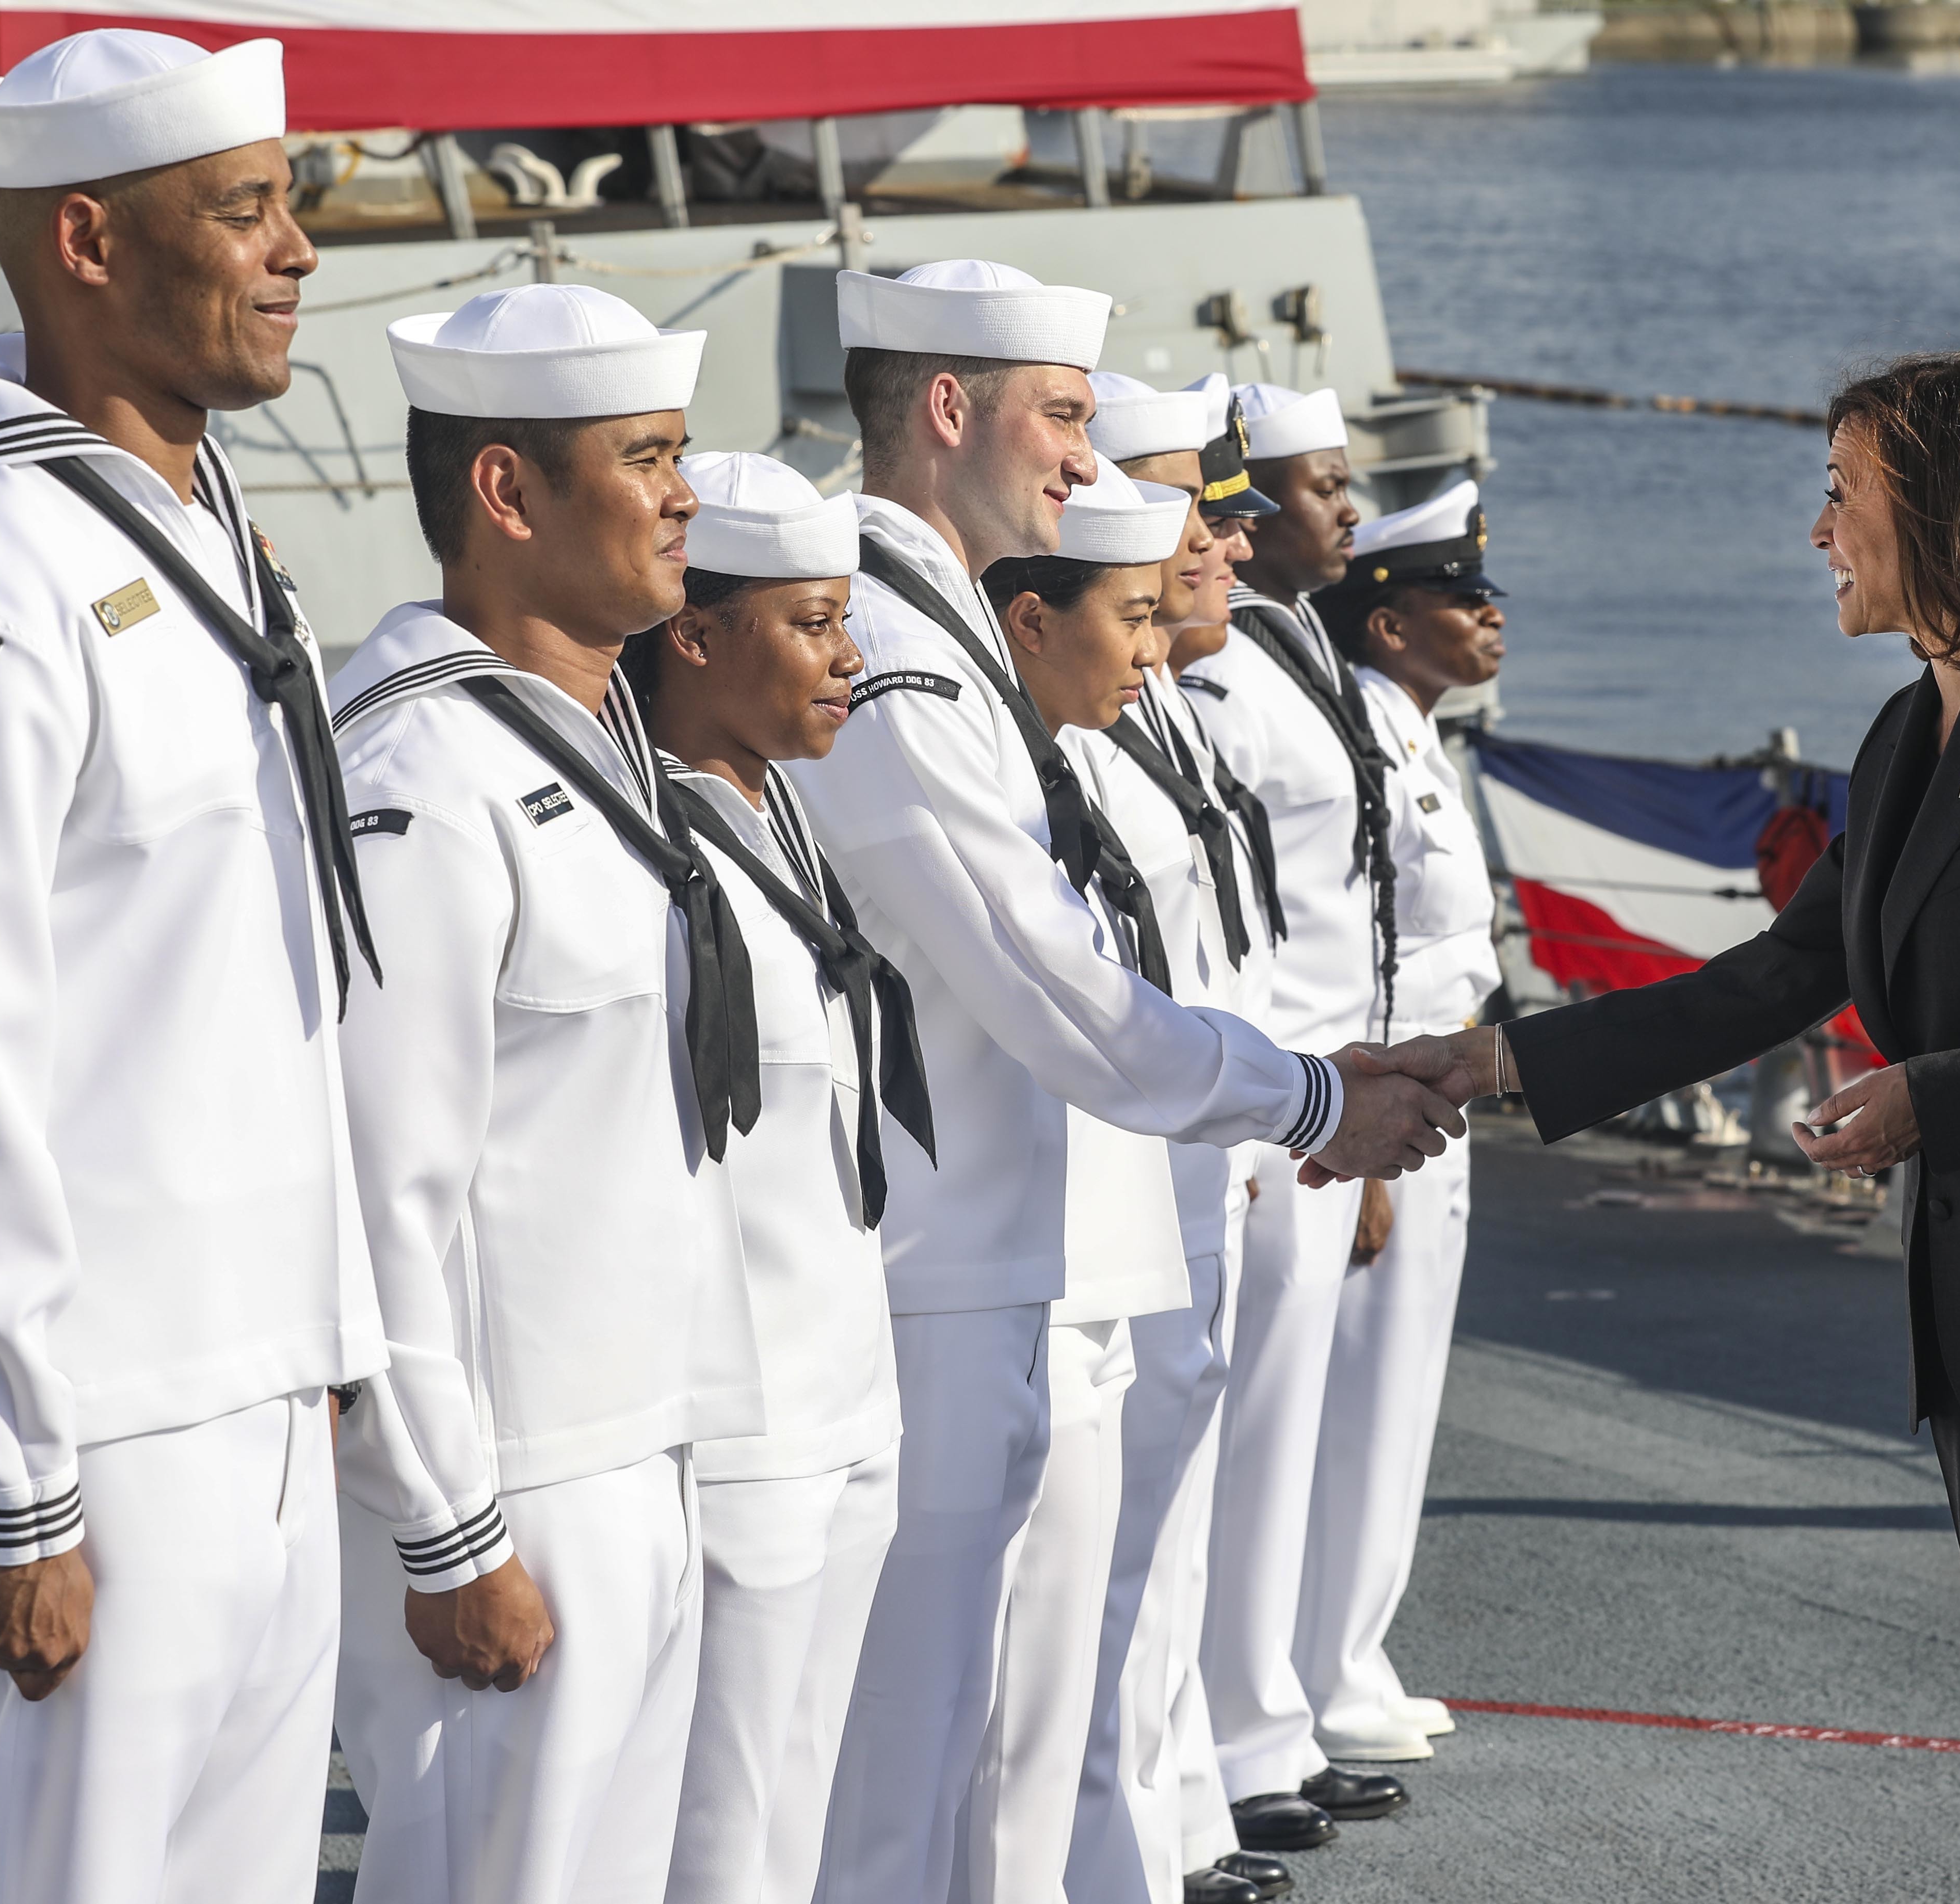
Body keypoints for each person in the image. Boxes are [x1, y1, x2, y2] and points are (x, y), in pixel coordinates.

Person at [1370, 351, 1960, 1903]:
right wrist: (1487, 1063)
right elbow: (1784, 974)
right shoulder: (1908, 735)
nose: (1818, 532)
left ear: (1949, 511)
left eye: (1841, 495)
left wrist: (1942, 1098)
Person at [787, 262, 1465, 1904]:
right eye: (1068, 418)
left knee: (998, 1764)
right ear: (948, 409)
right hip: (929, 1284)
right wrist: (1312, 1100)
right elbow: (1056, 989)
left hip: (1017, 1261)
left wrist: (1307, 1085)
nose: (1093, 471)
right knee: (899, 1798)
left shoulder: (941, 634)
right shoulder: (892, 655)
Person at [0, 31, 383, 1900]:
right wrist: (10, 1475)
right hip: (102, 1423)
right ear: (82, 241)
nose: (293, 249)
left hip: (261, 1379)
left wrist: (335, 1330)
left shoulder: (190, 534)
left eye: (288, 204)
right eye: (240, 211)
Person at [326, 284, 765, 1904]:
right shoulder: (421, 773)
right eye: (645, 455)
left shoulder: (595, 733)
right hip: (510, 1475)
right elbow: (386, 1190)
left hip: (632, 1436)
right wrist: (450, 1527)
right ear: (506, 493)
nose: (685, 494)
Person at [622, 453, 931, 1904]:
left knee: (792, 1821)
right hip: (738, 1428)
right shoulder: (644, 842)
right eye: (813, 623)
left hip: (843, 1397)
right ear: (696, 636)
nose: (850, 658)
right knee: (717, 1840)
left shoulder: (775, 809)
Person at [1068, 375, 1298, 1904]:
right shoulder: (1080, 721)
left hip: (1212, 1155)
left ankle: (1166, 1821)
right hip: (1136, 1174)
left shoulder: (1156, 703)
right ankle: (1123, 1843)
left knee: (1170, 1530)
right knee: (1110, 1562)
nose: (1212, 543)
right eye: (1180, 509)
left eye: (1215, 514)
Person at [962, 462, 1201, 1904]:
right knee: (977, 1722)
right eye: (1135, 614)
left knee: (1064, 1681)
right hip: (1010, 1264)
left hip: (1110, 1228)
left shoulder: (1070, 749)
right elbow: (1068, 998)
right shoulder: (970, 752)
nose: (1158, 648)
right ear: (1034, 622)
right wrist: (1318, 1102)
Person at [1180, 385, 1412, 1848]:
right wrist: (1300, 1108)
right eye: (1284, 495)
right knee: (1243, 1429)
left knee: (1279, 1422)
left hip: (1319, 1092)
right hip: (1271, 1103)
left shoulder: (1294, 653)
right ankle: (1233, 1738)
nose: (1320, 516)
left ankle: (1255, 1715)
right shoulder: (1214, 678)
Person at [1299, 482, 1507, 1763]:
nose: (1488, 617)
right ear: (1385, 624)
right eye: (1460, 598)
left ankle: (1347, 1653)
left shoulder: (1416, 734)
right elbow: (1358, 950)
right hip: (1394, 1110)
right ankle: (1322, 1669)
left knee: (1398, 1390)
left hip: (1440, 1108)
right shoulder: (1367, 740)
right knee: (1360, 1398)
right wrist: (1361, 1148)